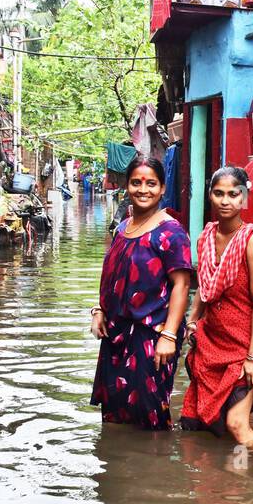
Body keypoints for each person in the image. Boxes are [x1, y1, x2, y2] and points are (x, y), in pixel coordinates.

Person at [180, 166, 253, 447]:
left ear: (244, 200)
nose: (226, 201)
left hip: (244, 347)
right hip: (212, 343)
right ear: (210, 197)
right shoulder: (206, 238)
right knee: (197, 425)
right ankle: (219, 484)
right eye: (219, 194)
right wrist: (192, 320)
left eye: (233, 194)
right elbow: (205, 283)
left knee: (237, 425)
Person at [90, 157, 194, 430]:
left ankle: (156, 468)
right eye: (136, 183)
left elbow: (182, 286)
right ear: (127, 187)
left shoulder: (171, 232)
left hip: (152, 335)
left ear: (162, 189)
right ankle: (117, 468)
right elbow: (113, 273)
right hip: (116, 334)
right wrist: (99, 309)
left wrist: (169, 337)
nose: (143, 190)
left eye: (151, 184)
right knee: (114, 413)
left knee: (150, 413)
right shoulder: (123, 228)